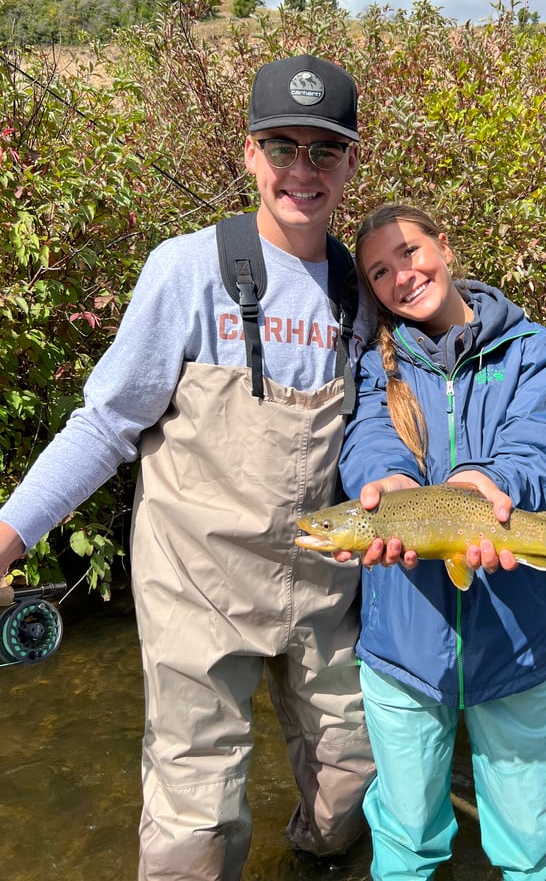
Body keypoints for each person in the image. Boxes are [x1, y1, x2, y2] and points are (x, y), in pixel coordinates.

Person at [0, 54, 378, 881]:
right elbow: (106, 424)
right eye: (282, 147)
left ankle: (316, 864)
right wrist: (10, 535)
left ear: (352, 163)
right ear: (249, 154)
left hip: (323, 585)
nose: (302, 171)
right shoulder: (185, 268)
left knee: (352, 772)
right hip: (195, 584)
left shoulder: (363, 290)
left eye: (325, 150)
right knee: (196, 808)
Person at [337, 203, 546, 881]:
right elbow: (369, 442)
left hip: (518, 640)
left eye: (411, 252)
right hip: (404, 646)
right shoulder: (372, 367)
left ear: (444, 247)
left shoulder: (538, 351)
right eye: (380, 272)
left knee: (532, 841)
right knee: (406, 837)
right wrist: (381, 480)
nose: (402, 275)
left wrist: (490, 479)